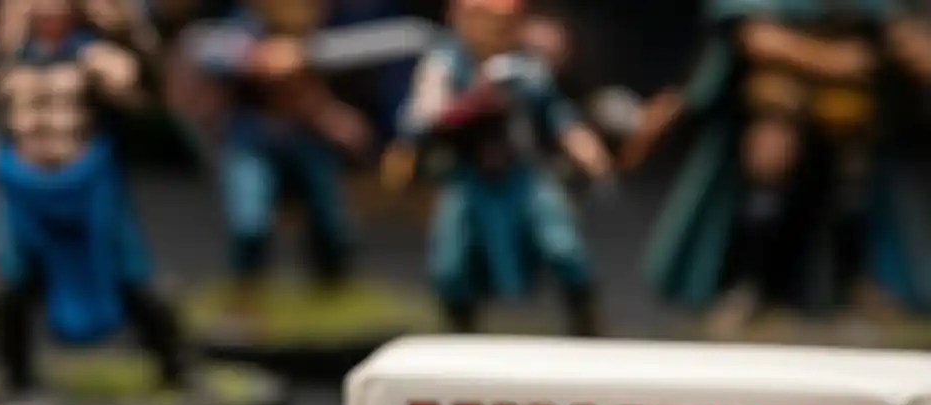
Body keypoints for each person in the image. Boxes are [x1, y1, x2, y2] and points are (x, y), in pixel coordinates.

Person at [622, 0, 931, 338]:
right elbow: (755, 36)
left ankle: (851, 293)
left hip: (845, 102)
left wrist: (893, 49)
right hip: (783, 91)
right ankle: (749, 288)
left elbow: (892, 28)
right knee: (767, 179)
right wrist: (828, 61)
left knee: (850, 191)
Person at [0, 0, 186, 391]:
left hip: (86, 182)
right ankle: (15, 375)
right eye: (40, 12)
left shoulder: (94, 58)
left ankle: (173, 364)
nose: (47, 18)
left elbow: (140, 96)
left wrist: (130, 44)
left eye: (57, 11)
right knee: (15, 282)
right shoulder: (8, 70)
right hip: (23, 186)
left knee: (127, 272)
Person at [387, 0, 612, 335]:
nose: (490, 28)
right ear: (459, 18)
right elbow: (422, 116)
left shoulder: (525, 66)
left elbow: (554, 113)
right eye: (481, 18)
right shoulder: (443, 65)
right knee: (451, 261)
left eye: (501, 20)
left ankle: (587, 324)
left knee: (562, 245)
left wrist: (580, 143)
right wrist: (406, 151)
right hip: (468, 177)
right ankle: (459, 333)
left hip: (524, 175)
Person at [197, 0, 374, 296]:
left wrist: (331, 116)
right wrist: (256, 56)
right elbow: (205, 50)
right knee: (250, 226)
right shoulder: (244, 28)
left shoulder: (323, 32)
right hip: (253, 144)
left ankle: (333, 293)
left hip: (306, 143)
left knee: (333, 228)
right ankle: (245, 297)